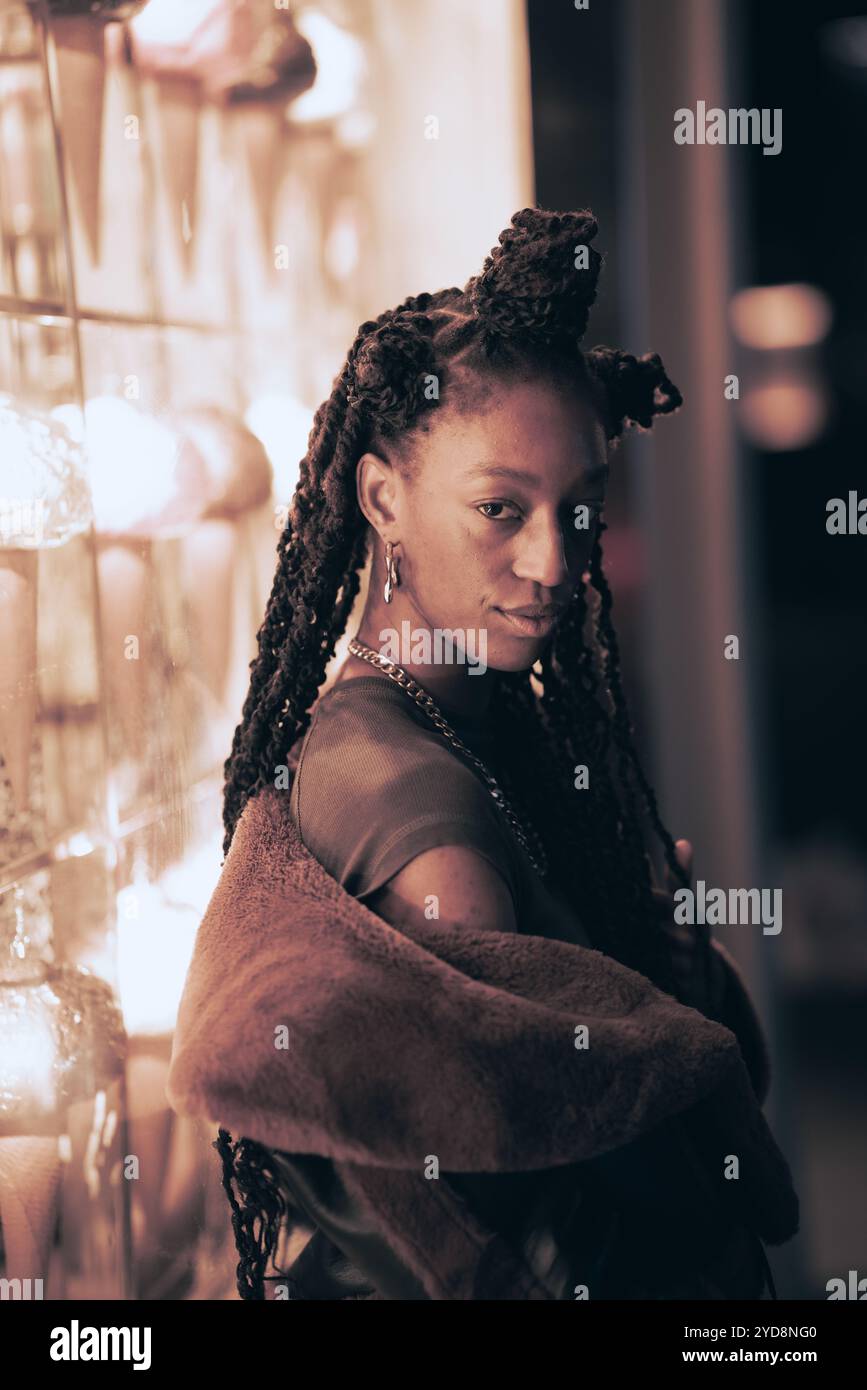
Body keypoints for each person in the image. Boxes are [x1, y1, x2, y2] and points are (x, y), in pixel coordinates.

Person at [217, 206, 774, 1299]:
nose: (552, 560)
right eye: (498, 507)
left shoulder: (450, 723)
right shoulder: (431, 837)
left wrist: (650, 939)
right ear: (382, 497)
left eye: (579, 510)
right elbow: (543, 1254)